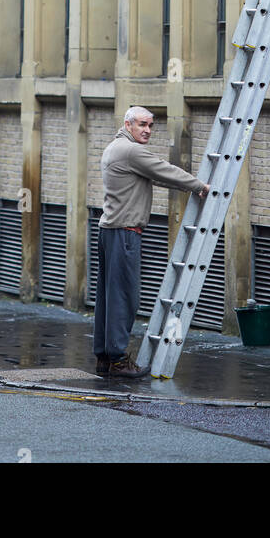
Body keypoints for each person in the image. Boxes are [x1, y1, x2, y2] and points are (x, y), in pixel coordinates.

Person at [93, 106, 210, 379]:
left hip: (110, 231)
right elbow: (163, 169)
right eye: (142, 125)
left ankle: (104, 357)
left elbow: (154, 176)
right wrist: (199, 186)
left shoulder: (116, 147)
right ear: (128, 124)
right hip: (124, 233)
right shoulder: (131, 151)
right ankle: (119, 360)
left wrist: (187, 186)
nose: (147, 130)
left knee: (108, 298)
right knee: (124, 298)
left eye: (150, 125)